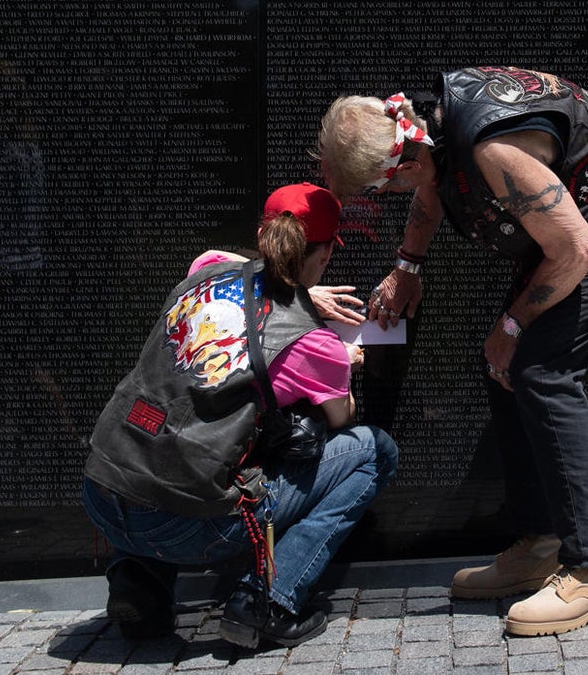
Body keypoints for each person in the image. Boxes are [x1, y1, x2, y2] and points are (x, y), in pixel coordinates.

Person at [315, 66, 588, 636]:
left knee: (542, 370)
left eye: (380, 189)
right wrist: (407, 266)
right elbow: (432, 182)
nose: (385, 197)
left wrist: (512, 325)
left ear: (403, 163)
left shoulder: (493, 152)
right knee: (503, 366)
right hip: (571, 227)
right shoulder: (421, 121)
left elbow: (577, 250)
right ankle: (541, 544)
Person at [82, 183, 398, 648]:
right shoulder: (315, 343)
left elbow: (214, 256)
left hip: (104, 491)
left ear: (262, 235)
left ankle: (139, 582)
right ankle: (266, 602)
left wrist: (297, 285)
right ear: (328, 253)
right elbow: (341, 419)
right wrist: (346, 360)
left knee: (173, 440)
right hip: (186, 523)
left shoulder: (203, 275)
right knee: (374, 450)